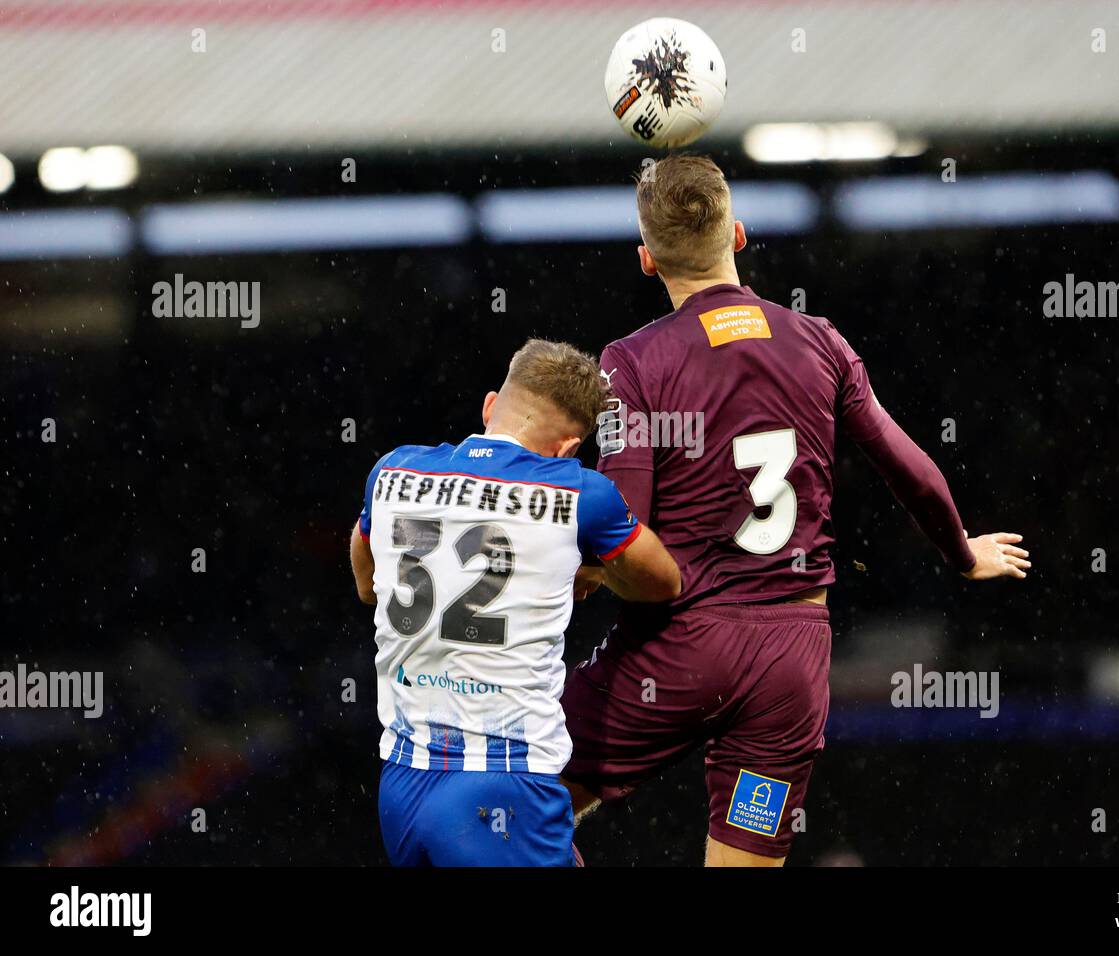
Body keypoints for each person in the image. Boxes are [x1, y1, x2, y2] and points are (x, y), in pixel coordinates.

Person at [560, 155, 1029, 866]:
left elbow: (623, 523)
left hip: (678, 648)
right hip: (790, 663)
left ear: (646, 259)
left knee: (515, 804)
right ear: (738, 235)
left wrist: (586, 572)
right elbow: (908, 466)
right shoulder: (820, 340)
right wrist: (961, 552)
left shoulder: (632, 362)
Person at [350, 338, 680, 866]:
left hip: (402, 780)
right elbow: (663, 582)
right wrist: (594, 568)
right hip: (503, 783)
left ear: (489, 406)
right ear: (569, 447)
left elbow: (368, 584)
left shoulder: (393, 471)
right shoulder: (582, 493)